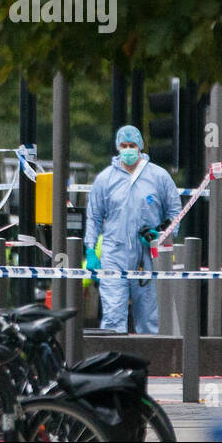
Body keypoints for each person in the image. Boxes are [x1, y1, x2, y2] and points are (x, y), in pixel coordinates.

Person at [84, 125, 181, 334]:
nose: (128, 150)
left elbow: (176, 211)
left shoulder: (159, 177)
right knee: (113, 317)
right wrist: (90, 250)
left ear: (140, 147)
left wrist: (162, 235)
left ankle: (152, 364)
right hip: (114, 253)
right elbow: (93, 217)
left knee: (149, 318)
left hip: (148, 255)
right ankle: (112, 363)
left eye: (132, 145)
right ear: (117, 147)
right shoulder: (105, 179)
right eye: (124, 145)